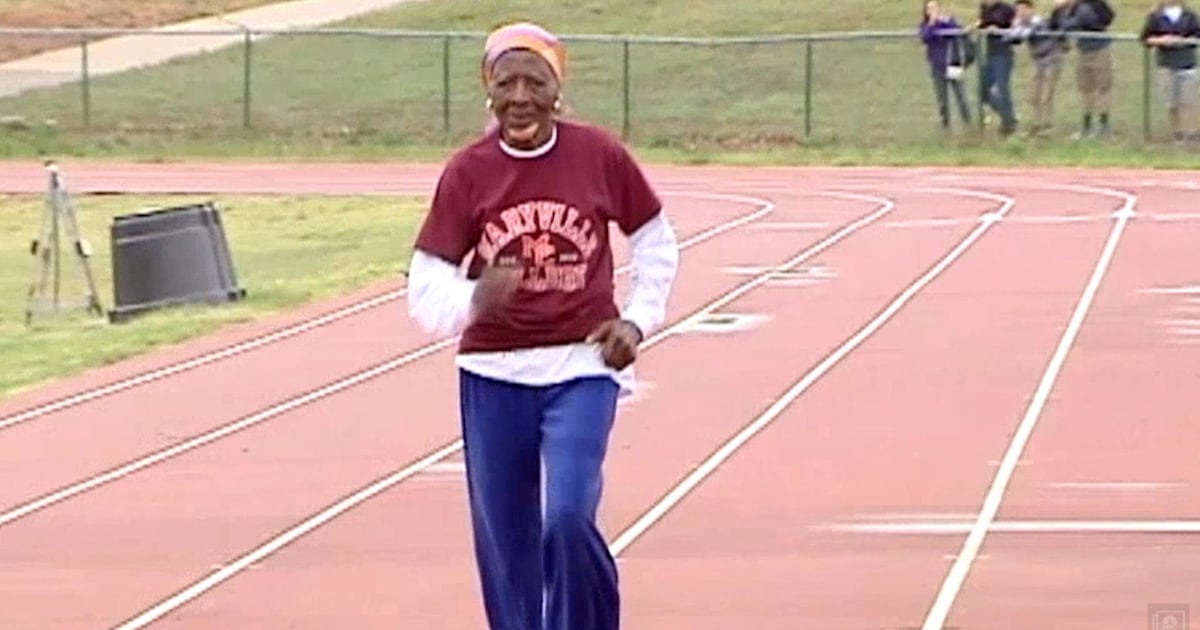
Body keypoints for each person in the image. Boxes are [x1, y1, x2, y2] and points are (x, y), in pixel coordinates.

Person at [405, 21, 680, 630]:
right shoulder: (467, 172)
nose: (521, 97)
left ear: (558, 90)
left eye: (536, 82)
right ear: (489, 92)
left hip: (581, 366)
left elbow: (656, 243)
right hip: (492, 374)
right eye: (507, 83)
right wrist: (477, 298)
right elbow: (424, 285)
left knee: (567, 517)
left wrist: (635, 322)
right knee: (508, 547)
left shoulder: (598, 155)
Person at [1140, 0, 1200, 144]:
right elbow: (1145, 38)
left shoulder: (1189, 15)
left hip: (1187, 64)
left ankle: (1192, 133)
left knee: (1188, 100)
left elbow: (1197, 36)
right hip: (1166, 64)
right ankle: (1177, 132)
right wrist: (1161, 40)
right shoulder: (1155, 16)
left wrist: (1182, 40)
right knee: (1171, 102)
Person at [1010, 0, 1070, 136]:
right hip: (1037, 61)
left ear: (1030, 9)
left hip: (1052, 59)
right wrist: (1014, 27)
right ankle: (1036, 124)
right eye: (1018, 10)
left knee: (1046, 95)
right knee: (1034, 94)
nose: (1021, 13)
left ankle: (1047, 125)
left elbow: (1028, 32)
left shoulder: (1038, 22)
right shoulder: (1020, 24)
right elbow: (1012, 39)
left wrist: (1017, 27)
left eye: (1024, 9)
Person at [1062, 0, 1117, 138]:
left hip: (1100, 49)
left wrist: (1089, 18)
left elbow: (1108, 18)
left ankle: (1104, 126)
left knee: (1103, 87)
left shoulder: (1098, 3)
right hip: (1083, 50)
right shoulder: (1075, 6)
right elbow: (1065, 25)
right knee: (1086, 89)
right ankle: (1086, 127)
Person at [919, 0, 974, 130]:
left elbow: (958, 32)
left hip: (953, 64)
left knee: (961, 96)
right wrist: (932, 23)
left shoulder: (947, 22)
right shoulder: (925, 25)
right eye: (929, 9)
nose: (933, 11)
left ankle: (968, 124)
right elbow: (925, 37)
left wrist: (947, 21)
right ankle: (946, 126)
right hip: (937, 67)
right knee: (942, 100)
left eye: (935, 7)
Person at [978, 0, 1020, 136]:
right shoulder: (985, 8)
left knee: (1002, 89)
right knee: (983, 91)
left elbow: (1014, 32)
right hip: (990, 54)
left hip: (1003, 54)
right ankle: (1008, 116)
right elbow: (982, 24)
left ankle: (1008, 123)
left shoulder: (1006, 9)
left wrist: (999, 30)